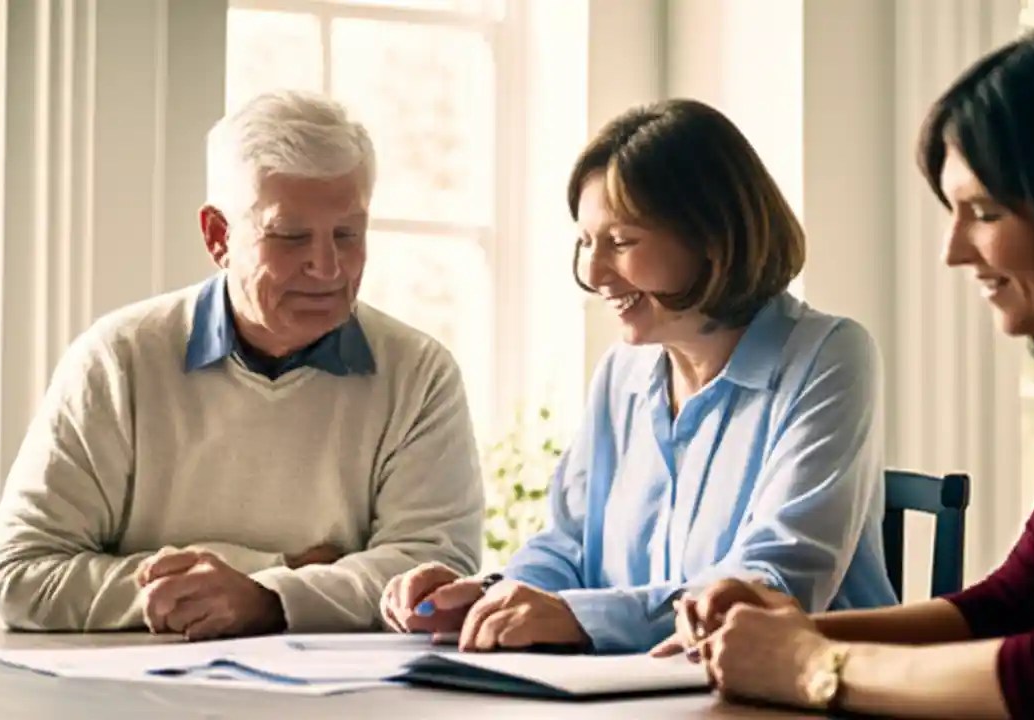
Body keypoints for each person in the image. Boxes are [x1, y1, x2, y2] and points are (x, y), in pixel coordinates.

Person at [661, 18, 1034, 719]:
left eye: (982, 213)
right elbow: (1014, 601)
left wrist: (813, 665)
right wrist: (789, 635)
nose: (953, 251)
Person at [380, 98, 896, 655]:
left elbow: (774, 581)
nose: (595, 273)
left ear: (711, 237)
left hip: (798, 694)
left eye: (621, 243)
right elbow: (569, 545)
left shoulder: (831, 355)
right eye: (585, 243)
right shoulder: (623, 372)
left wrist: (575, 618)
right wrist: (488, 596)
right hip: (643, 693)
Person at [0, 90, 485, 639]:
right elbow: (22, 574)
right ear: (218, 236)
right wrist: (279, 571)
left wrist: (266, 599)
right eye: (290, 237)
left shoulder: (420, 374)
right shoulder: (117, 360)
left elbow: (434, 572)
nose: (327, 266)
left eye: (348, 234)